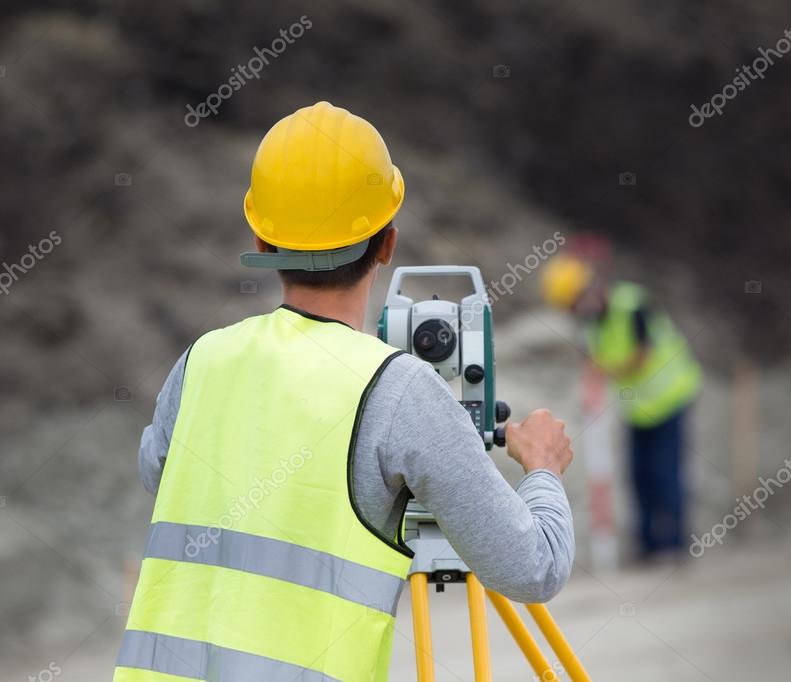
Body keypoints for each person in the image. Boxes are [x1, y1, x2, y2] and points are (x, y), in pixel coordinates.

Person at [114, 102, 575, 682]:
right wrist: (542, 468)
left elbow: (159, 470)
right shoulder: (400, 391)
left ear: (261, 239)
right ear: (388, 244)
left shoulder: (201, 360)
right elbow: (534, 568)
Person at [541, 254, 701, 562]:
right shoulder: (590, 326)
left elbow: (643, 355)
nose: (574, 312)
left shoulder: (632, 304)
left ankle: (674, 545)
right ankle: (648, 546)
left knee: (665, 473)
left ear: (586, 290)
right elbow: (591, 365)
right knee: (638, 476)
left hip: (670, 397)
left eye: (573, 303)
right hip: (637, 407)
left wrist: (609, 371)